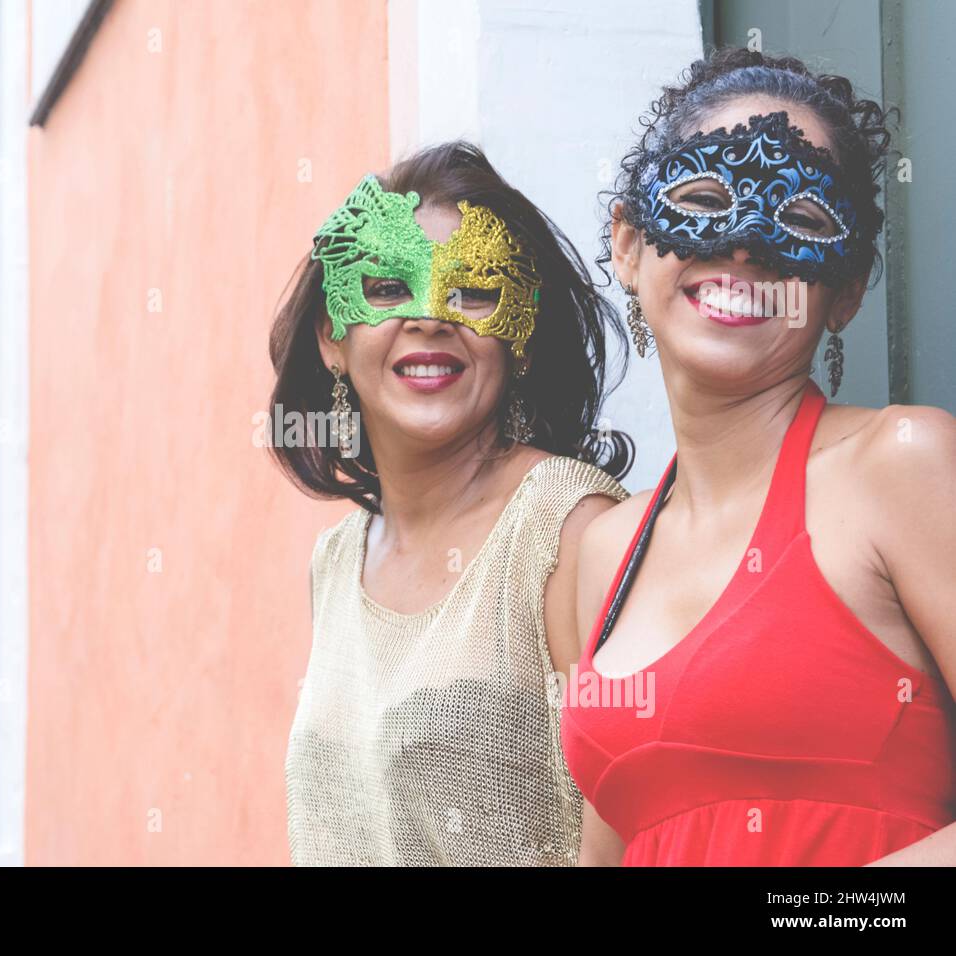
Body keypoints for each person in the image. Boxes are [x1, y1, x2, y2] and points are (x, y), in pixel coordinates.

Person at [562, 47, 956, 866]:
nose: (744, 245)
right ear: (629, 246)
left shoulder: (902, 467)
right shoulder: (603, 553)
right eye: (704, 197)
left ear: (844, 292)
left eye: (803, 220)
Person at [270, 141, 633, 865]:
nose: (430, 316)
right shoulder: (336, 560)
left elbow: (633, 835)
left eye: (472, 290)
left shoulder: (572, 530)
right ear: (330, 338)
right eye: (383, 288)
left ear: (521, 333)